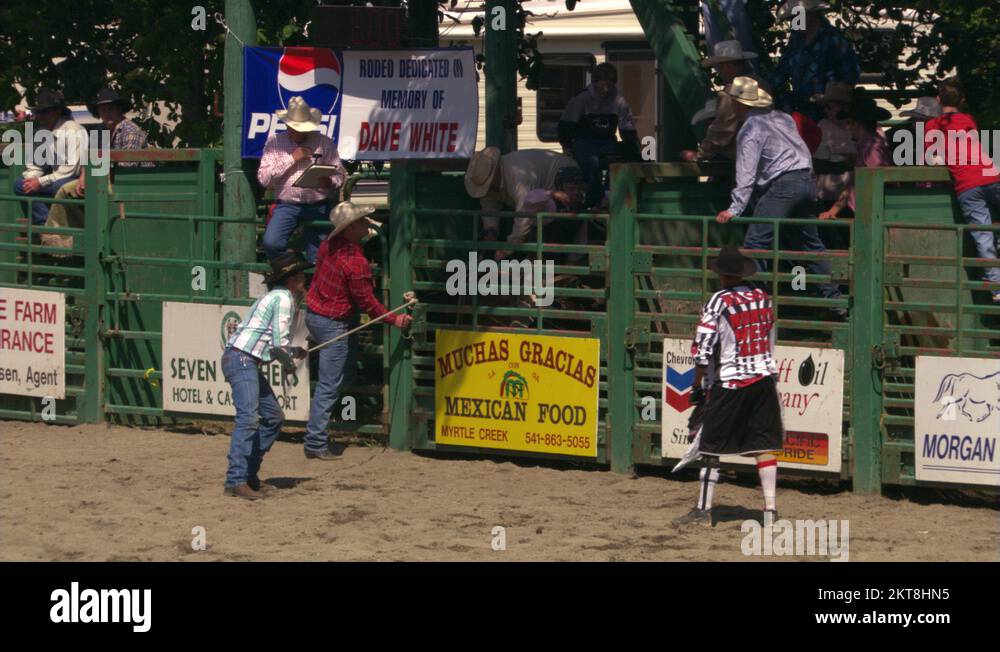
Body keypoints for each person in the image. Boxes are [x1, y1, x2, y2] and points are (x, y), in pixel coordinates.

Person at [672, 246, 784, 527]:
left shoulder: (718, 301)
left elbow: (702, 349)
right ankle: (770, 509)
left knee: (710, 445)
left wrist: (696, 385)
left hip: (730, 381)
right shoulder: (763, 297)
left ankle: (702, 510)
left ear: (720, 274)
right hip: (763, 378)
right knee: (765, 444)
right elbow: (770, 336)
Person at [715, 77, 846, 316]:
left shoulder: (750, 129)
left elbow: (746, 173)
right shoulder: (782, 118)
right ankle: (835, 300)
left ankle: (755, 305)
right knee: (809, 244)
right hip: (807, 181)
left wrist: (735, 208)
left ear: (738, 104)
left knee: (757, 242)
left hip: (783, 185)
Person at [303, 202, 413, 459]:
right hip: (335, 323)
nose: (367, 224)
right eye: (363, 221)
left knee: (336, 376)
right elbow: (368, 304)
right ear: (351, 228)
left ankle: (329, 427)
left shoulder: (328, 247)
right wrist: (395, 320)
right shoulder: (355, 261)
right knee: (330, 384)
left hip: (317, 316)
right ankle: (315, 442)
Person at [222, 251, 312, 500]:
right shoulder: (284, 299)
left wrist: (293, 351)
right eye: (302, 276)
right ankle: (236, 479)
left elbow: (275, 344)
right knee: (250, 418)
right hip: (243, 360)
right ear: (292, 279)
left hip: (240, 359)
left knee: (271, 417)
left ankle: (247, 475)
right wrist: (289, 362)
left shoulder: (276, 297)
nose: (305, 281)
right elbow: (277, 346)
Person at [41, 88, 149, 251]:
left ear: (119, 109)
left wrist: (94, 180)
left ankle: (86, 241)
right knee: (65, 190)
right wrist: (84, 179)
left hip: (133, 184)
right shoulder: (100, 131)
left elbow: (126, 169)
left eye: (110, 108)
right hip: (105, 180)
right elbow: (88, 159)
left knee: (93, 192)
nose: (107, 112)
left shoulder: (130, 131)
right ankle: (55, 241)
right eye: (102, 109)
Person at [924, 78, 1000, 302]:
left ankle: (997, 287)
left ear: (938, 100)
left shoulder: (932, 126)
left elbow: (932, 158)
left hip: (967, 184)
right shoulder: (968, 119)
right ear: (963, 100)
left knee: (983, 234)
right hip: (992, 174)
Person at [257, 96, 347, 263]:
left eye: (303, 128)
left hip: (318, 205)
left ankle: (310, 283)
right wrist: (292, 158)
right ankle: (292, 272)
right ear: (287, 125)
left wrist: (330, 182)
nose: (300, 131)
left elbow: (340, 174)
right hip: (287, 204)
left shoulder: (324, 142)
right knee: (271, 243)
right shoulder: (275, 143)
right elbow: (264, 179)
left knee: (319, 256)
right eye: (296, 128)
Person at [464, 146, 582, 254]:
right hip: (544, 193)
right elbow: (489, 207)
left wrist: (508, 249)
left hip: (564, 177)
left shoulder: (518, 176)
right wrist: (490, 230)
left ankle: (551, 261)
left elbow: (524, 213)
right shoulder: (491, 184)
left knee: (550, 223)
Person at [558, 62, 639, 209]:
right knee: (593, 163)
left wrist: (633, 148)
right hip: (584, 141)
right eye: (602, 86)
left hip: (607, 141)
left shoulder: (618, 100)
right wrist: (567, 147)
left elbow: (627, 129)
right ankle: (592, 201)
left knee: (624, 160)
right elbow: (565, 126)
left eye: (609, 86)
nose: (606, 90)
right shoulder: (582, 99)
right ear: (595, 83)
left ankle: (617, 198)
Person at [768, 0, 861, 122]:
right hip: (799, 109)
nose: (793, 21)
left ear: (810, 14)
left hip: (826, 113)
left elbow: (851, 74)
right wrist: (764, 88)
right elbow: (782, 70)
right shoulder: (796, 38)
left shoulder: (833, 38)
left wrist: (832, 98)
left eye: (796, 16)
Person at [13, 88, 87, 226]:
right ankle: (46, 224)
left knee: (58, 186)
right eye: (38, 112)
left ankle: (49, 226)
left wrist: (40, 182)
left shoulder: (73, 130)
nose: (39, 116)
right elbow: (36, 164)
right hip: (56, 178)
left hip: (73, 179)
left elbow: (70, 170)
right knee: (20, 185)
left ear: (57, 112)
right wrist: (31, 179)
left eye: (43, 112)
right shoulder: (41, 132)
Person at [682, 40, 762, 162]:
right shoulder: (761, 84)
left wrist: (701, 154)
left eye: (719, 66)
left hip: (746, 157)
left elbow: (723, 128)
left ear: (725, 66)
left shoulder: (732, 92)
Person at [819, 94, 891, 221]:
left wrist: (833, 210)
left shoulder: (871, 149)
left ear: (857, 124)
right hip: (867, 209)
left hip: (870, 211)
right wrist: (833, 210)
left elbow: (871, 181)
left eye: (849, 123)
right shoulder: (869, 146)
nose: (847, 128)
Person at [812, 82, 858, 212]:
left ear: (844, 107)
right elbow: (817, 162)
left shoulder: (857, 127)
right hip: (829, 193)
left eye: (829, 107)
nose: (826, 111)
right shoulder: (823, 126)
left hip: (853, 193)